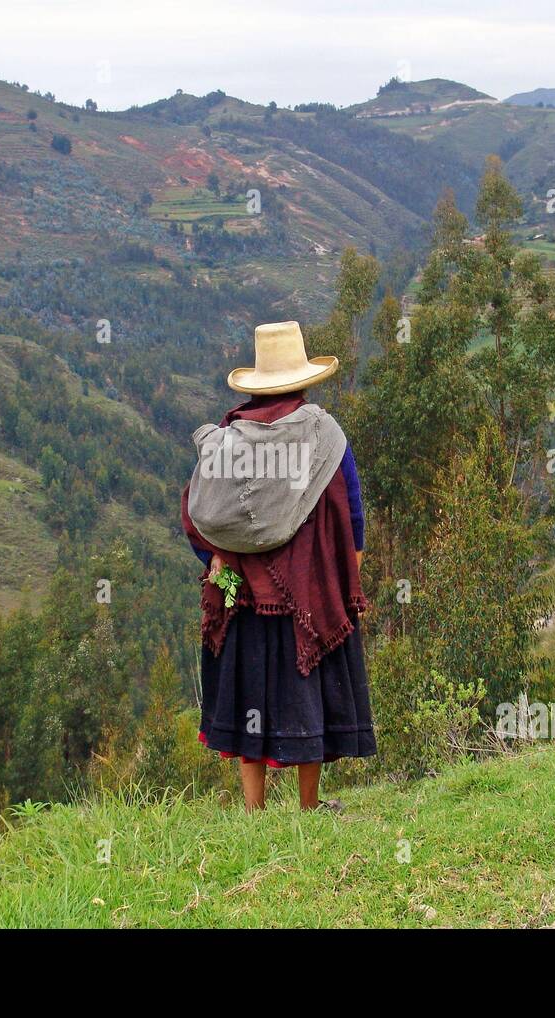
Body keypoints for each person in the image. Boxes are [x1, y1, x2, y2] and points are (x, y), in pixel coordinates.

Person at [181, 321, 375, 812]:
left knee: (249, 694)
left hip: (243, 596)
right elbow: (351, 514)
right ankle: (309, 807)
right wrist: (344, 581)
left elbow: (198, 516)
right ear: (305, 381)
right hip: (305, 596)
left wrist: (222, 567)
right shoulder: (326, 437)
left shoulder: (228, 439)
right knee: (304, 696)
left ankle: (254, 811)